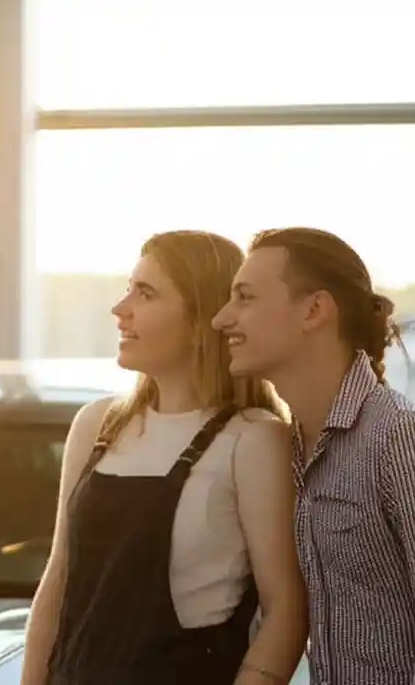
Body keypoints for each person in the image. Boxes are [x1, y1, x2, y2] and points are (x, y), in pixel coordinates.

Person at [212, 226, 415, 684]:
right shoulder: (286, 446)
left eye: (244, 297)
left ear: (314, 310)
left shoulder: (401, 441)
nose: (222, 319)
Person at [21, 230, 308, 685]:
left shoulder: (253, 440)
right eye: (127, 288)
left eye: (145, 293)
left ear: (202, 322)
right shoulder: (97, 425)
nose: (121, 308)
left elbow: (286, 610)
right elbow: (57, 584)